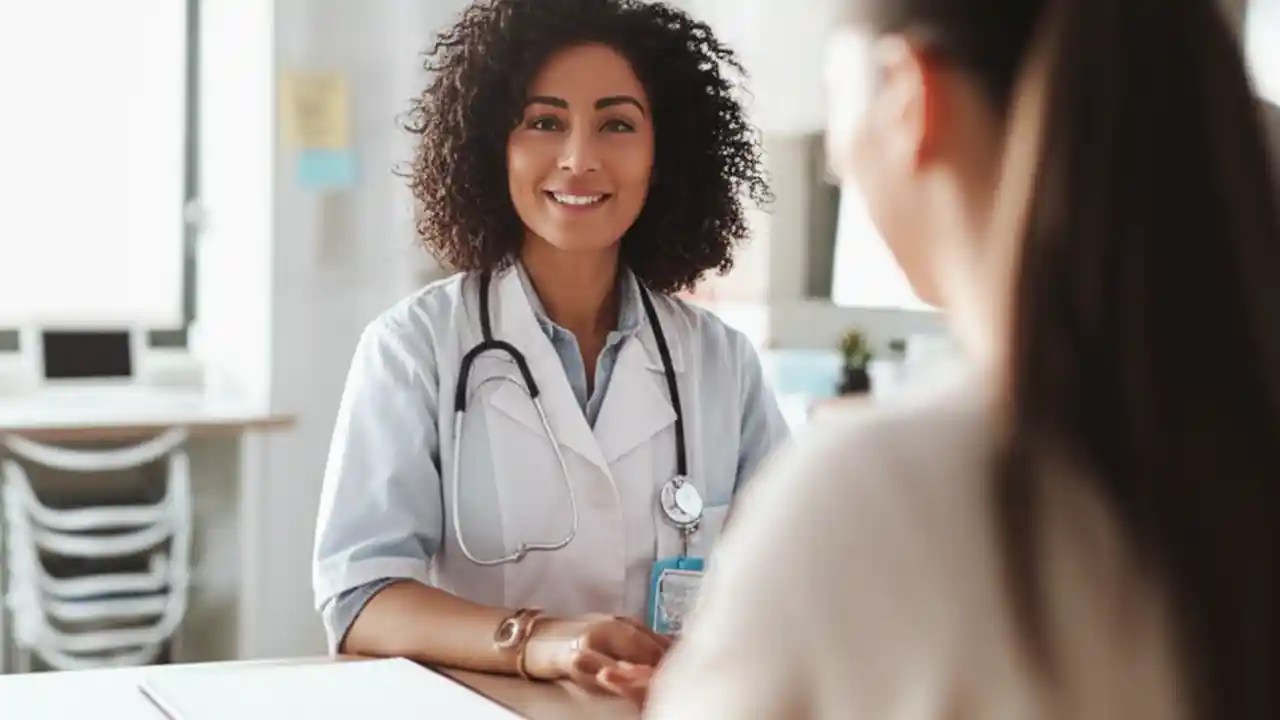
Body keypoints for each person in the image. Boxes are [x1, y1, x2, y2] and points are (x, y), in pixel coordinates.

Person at [607, 0, 1280, 716]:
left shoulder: (870, 493)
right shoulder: (1233, 454)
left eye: (835, 99)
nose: (835, 159)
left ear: (908, 96)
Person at [310, 0, 788, 695]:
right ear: (493, 148)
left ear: (664, 157)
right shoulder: (414, 348)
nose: (579, 158)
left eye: (617, 125)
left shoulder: (722, 365)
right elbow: (360, 601)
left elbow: (788, 579)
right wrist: (539, 641)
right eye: (545, 122)